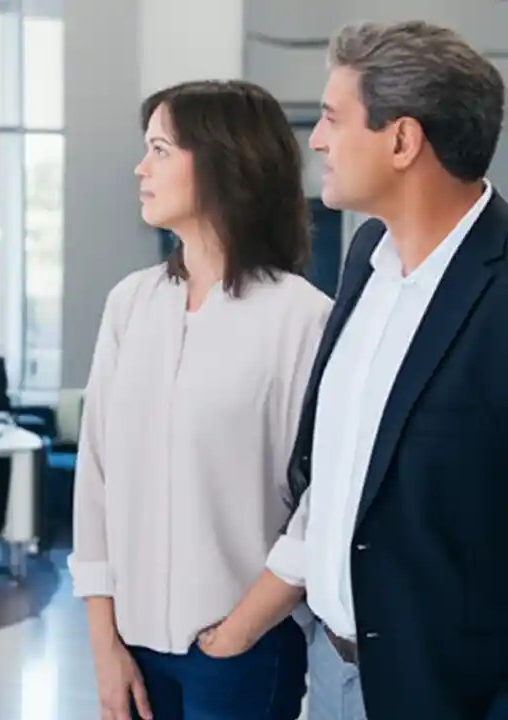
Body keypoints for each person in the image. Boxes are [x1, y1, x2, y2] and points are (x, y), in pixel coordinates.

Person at [209, 20, 508, 720]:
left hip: (449, 695)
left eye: (334, 119)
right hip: (332, 670)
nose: (315, 139)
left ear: (402, 141)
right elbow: (337, 482)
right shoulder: (364, 258)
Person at [69, 79, 331, 720]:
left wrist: (241, 631)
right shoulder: (131, 303)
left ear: (224, 162)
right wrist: (103, 642)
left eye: (160, 149)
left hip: (241, 649)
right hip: (130, 644)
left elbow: (323, 500)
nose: (141, 167)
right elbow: (95, 474)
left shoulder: (303, 317)